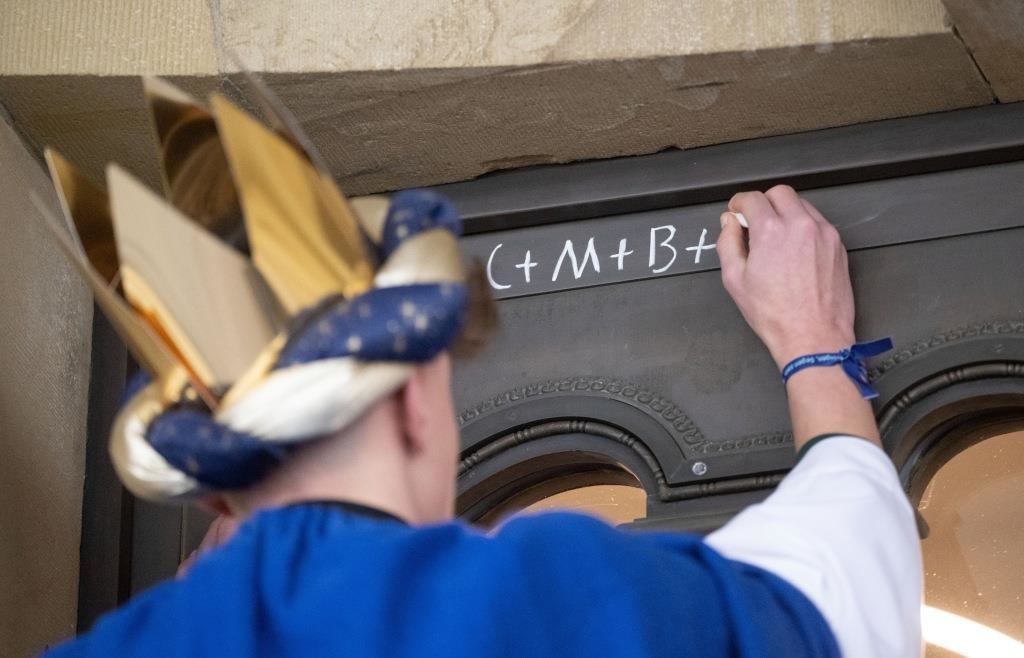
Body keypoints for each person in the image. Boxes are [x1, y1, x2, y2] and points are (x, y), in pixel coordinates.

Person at [45, 185, 921, 657]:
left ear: (212, 489)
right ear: (411, 405)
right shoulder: (558, 593)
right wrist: (813, 347)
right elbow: (833, 596)